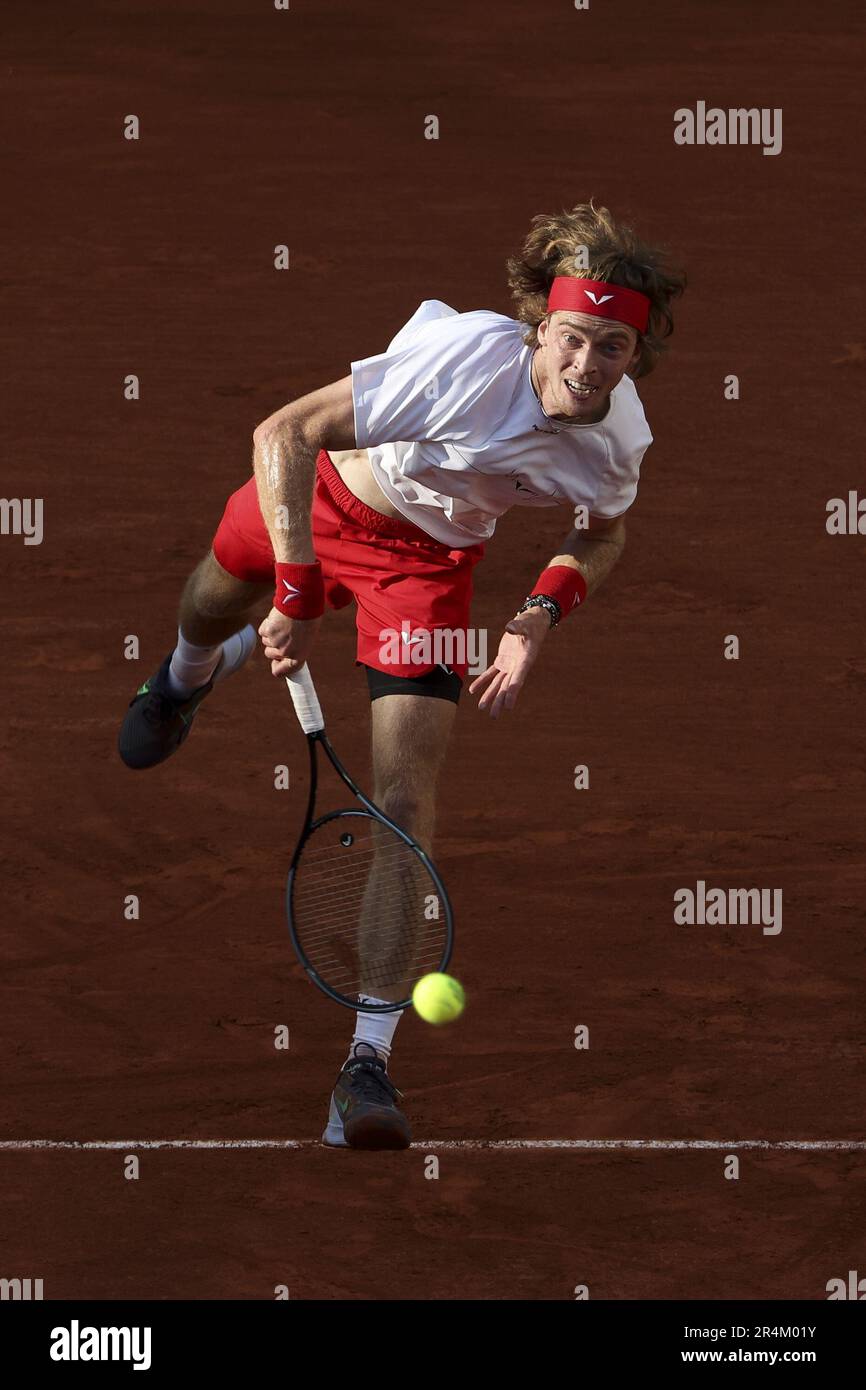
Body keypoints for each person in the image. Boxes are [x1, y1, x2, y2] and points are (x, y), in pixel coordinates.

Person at [118, 200, 686, 1149]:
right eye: (575, 340)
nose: (588, 369)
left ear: (635, 356)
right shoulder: (463, 362)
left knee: (405, 808)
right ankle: (183, 676)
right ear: (539, 328)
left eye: (614, 351)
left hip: (425, 572)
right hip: (328, 490)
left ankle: (365, 1068)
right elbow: (284, 436)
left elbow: (603, 531)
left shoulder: (616, 438)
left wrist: (538, 616)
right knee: (215, 601)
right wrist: (296, 591)